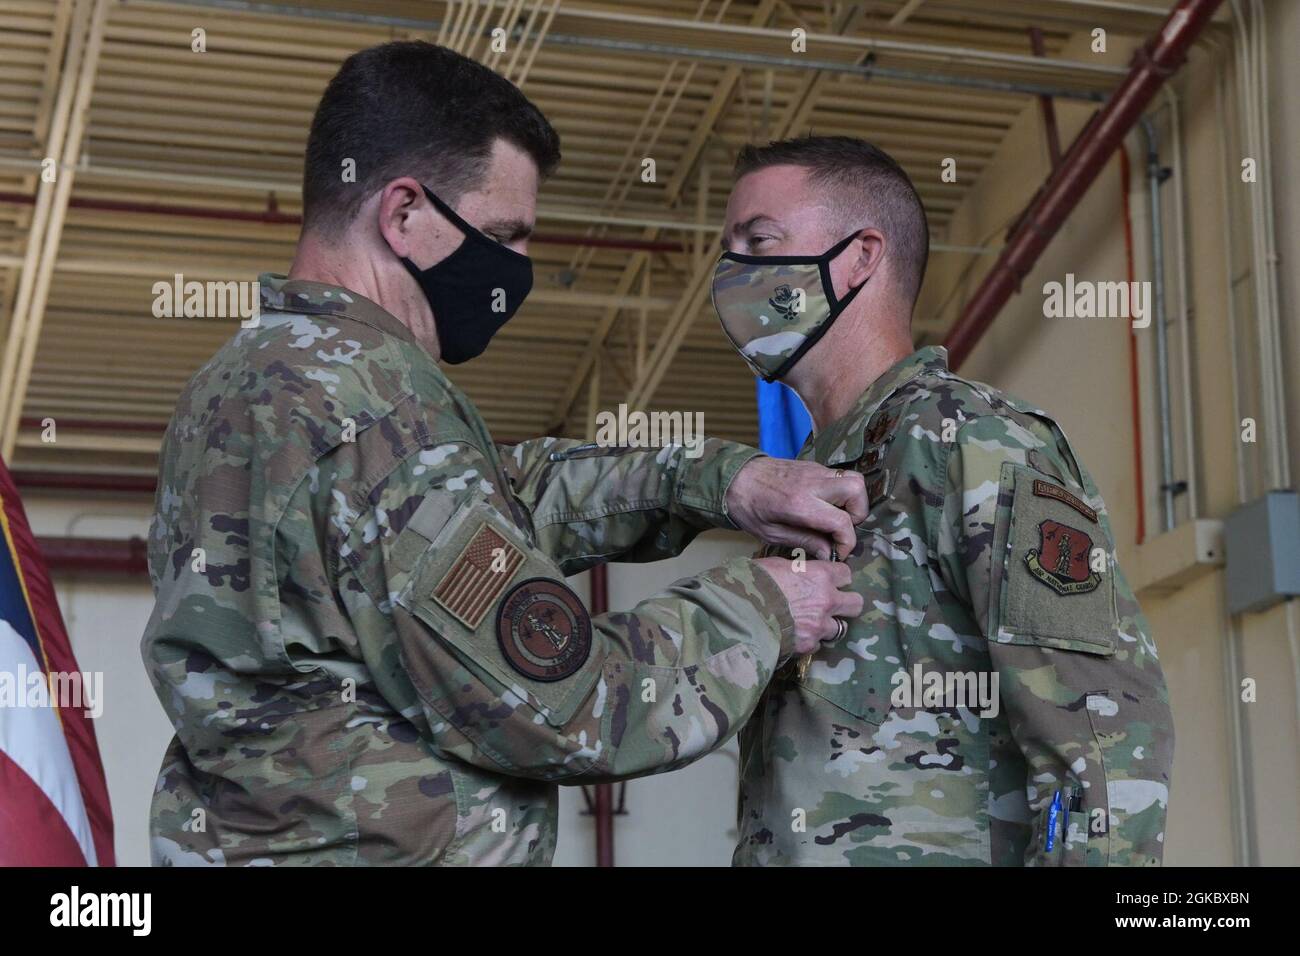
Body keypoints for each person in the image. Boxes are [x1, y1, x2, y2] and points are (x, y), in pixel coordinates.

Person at [141, 44, 866, 866]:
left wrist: (711, 479)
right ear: (404, 213)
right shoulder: (374, 410)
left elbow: (496, 498)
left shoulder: (250, 378)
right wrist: (764, 606)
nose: (518, 269)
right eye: (501, 234)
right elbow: (569, 706)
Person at [712, 135, 1174, 866]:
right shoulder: (805, 486)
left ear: (861, 256)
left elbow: (1105, 738)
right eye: (728, 249)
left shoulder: (972, 438)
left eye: (759, 240)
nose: (732, 270)